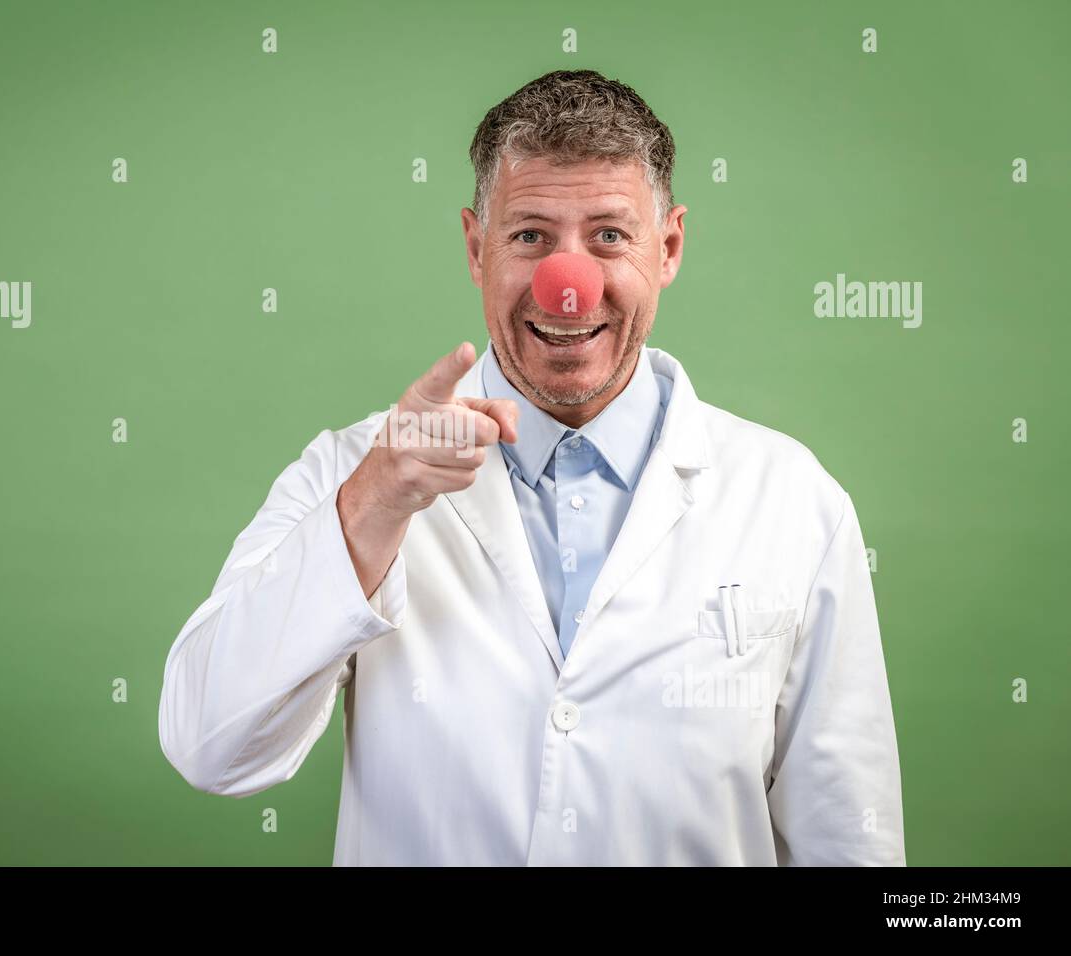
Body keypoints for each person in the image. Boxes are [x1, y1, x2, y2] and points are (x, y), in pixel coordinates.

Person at [157, 69, 906, 866]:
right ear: (477, 249)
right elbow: (210, 747)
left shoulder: (792, 501)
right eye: (530, 236)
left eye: (610, 236)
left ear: (670, 246)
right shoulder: (353, 472)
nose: (569, 287)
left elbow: (846, 835)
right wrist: (375, 504)